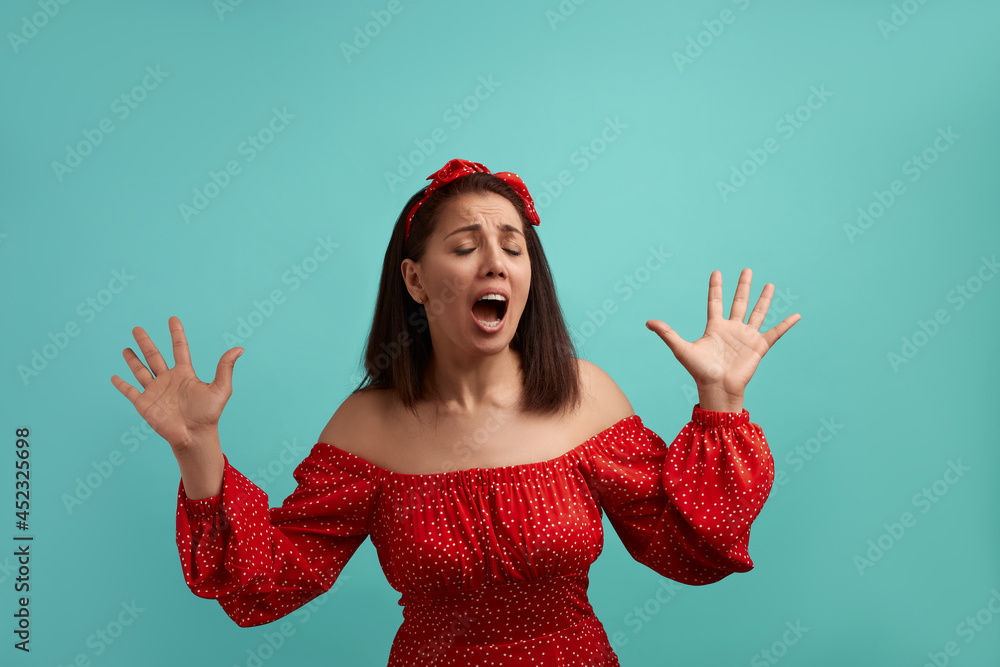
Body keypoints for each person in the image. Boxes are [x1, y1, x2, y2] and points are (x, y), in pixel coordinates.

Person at [110, 158, 800, 665]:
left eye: (513, 247)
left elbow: (690, 548)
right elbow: (266, 584)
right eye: (465, 247)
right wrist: (196, 445)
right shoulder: (366, 425)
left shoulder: (585, 396)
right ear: (415, 280)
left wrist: (721, 399)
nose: (494, 263)